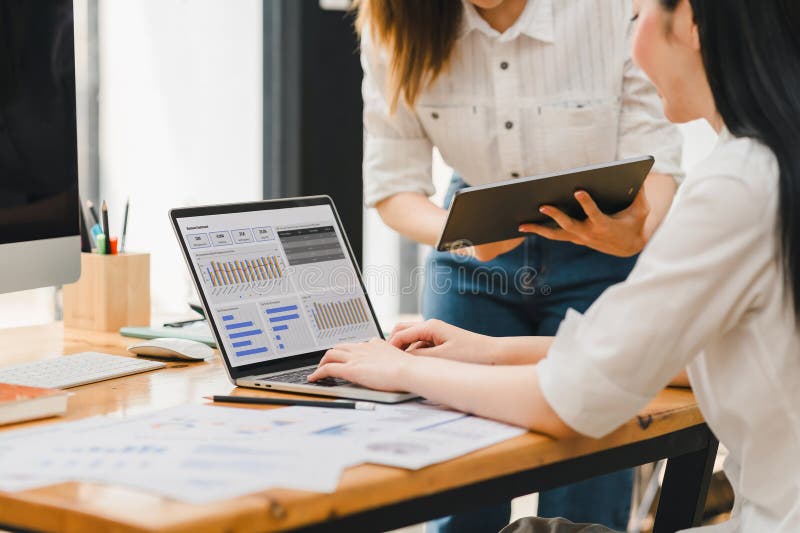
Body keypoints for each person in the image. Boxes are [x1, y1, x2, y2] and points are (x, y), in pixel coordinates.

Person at [311, 0, 800, 531]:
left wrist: (408, 370)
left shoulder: (735, 189)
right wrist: (493, 352)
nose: (630, 43)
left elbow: (577, 396)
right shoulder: (768, 162)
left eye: (636, 17)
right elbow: (682, 357)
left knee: (565, 510)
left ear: (691, 22)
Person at [356, 0, 682, 530]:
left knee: (587, 476)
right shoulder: (397, 19)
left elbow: (658, 163)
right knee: (460, 475)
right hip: (470, 248)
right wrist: (461, 237)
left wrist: (638, 234)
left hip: (601, 249)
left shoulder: (613, 10)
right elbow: (393, 188)